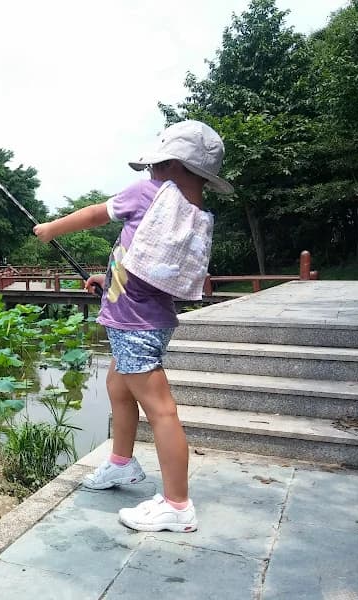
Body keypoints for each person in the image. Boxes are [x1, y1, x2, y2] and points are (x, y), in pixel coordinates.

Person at [33, 120, 233, 532]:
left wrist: (50, 229)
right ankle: (121, 463)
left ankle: (177, 505)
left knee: (160, 409)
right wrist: (110, 282)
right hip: (149, 318)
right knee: (117, 388)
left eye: (155, 164)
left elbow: (93, 215)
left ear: (172, 164)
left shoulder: (149, 194)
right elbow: (148, 267)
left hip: (135, 326)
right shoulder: (191, 215)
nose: (149, 171)